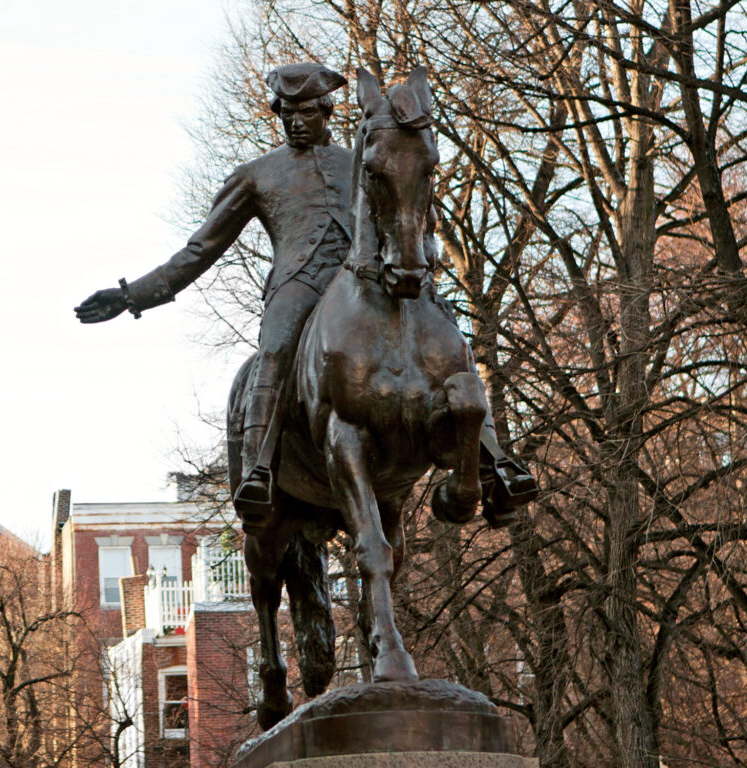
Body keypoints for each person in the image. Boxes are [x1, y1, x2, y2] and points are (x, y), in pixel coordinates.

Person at [74, 62, 536, 526]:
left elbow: (409, 206)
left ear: (327, 110)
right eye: (286, 112)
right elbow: (199, 250)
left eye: (307, 111)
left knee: (449, 340)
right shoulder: (255, 175)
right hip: (300, 285)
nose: (296, 121)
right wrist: (132, 295)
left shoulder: (363, 157)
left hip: (371, 283)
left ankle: (496, 462)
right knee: (274, 347)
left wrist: (424, 252)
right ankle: (259, 468)